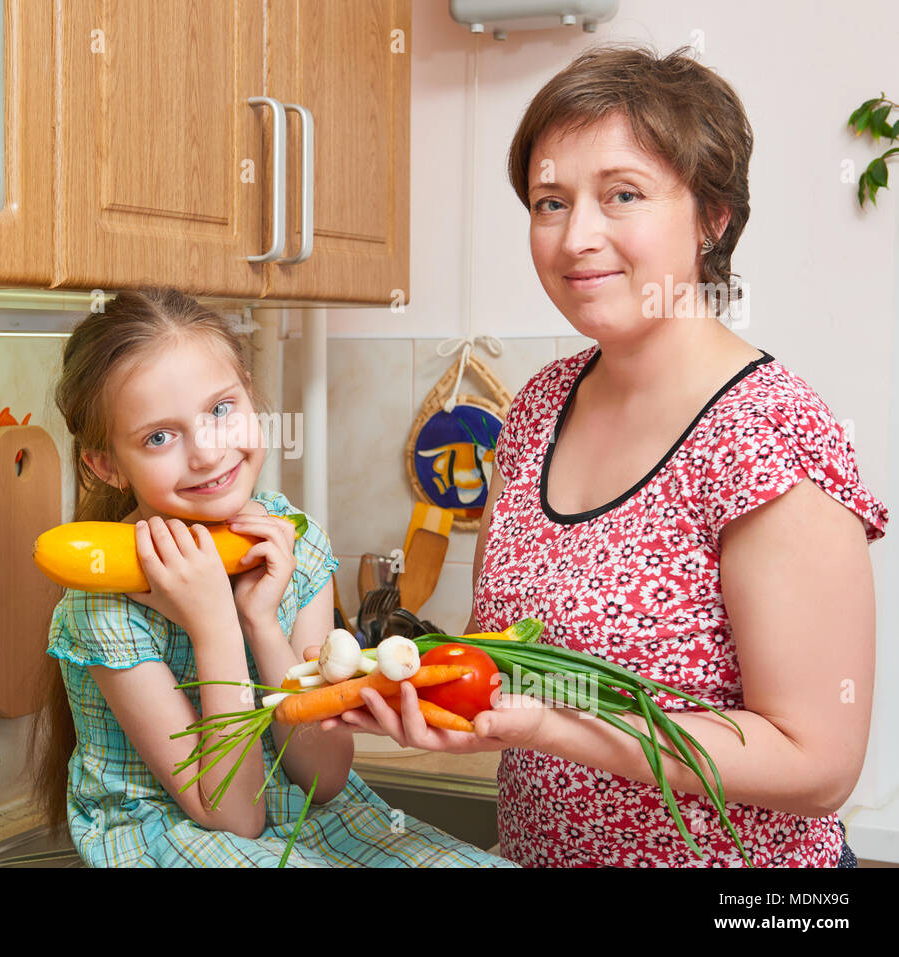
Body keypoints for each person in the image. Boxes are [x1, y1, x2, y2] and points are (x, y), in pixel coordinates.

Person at [325, 44, 888, 867]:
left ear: (713, 218)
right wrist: (413, 685)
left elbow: (817, 761)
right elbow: (510, 656)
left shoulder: (768, 431)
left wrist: (556, 726)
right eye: (551, 201)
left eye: (622, 194)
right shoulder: (539, 409)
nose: (577, 236)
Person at [30, 286, 516, 867]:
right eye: (159, 437)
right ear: (106, 465)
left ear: (252, 400)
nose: (208, 453)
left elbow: (325, 777)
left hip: (309, 815)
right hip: (174, 835)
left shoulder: (296, 544)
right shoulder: (103, 607)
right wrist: (214, 625)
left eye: (220, 409)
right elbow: (235, 815)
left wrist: (261, 621)